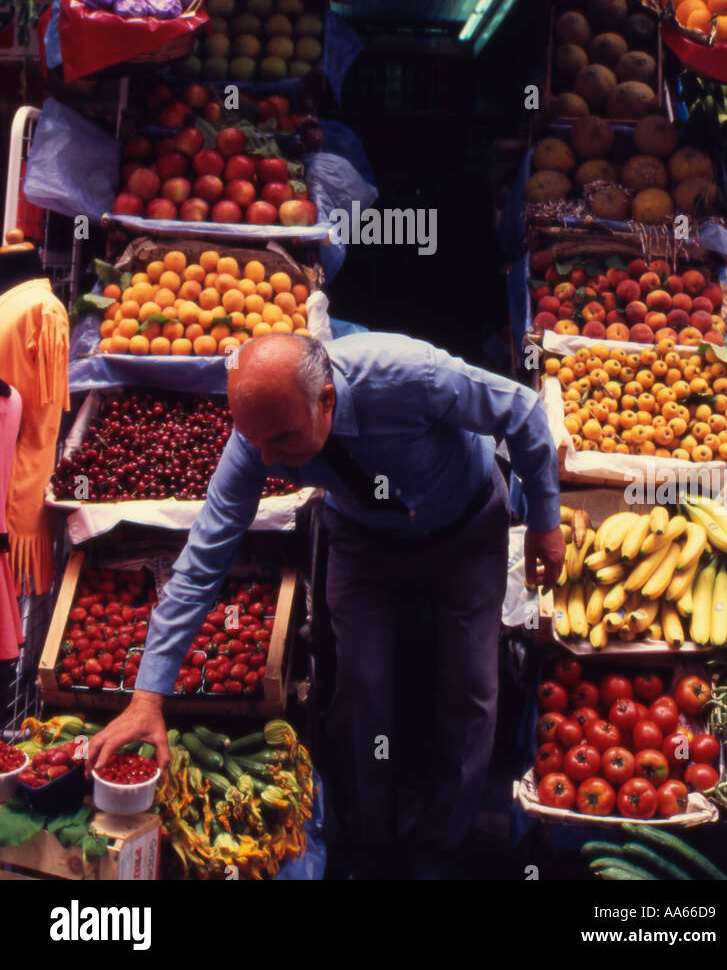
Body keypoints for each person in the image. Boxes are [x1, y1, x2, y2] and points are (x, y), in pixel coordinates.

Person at [87, 331, 564, 877]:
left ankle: (441, 844)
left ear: (327, 401)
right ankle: (366, 837)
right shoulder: (257, 440)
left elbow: (523, 411)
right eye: (257, 443)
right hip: (364, 543)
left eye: (283, 441)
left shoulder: (410, 376)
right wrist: (148, 696)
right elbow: (200, 563)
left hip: (466, 527)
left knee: (471, 690)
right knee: (360, 687)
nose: (269, 459)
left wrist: (545, 522)